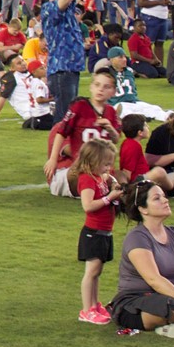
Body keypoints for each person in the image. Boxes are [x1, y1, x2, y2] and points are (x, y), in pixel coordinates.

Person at [106, 180, 174, 337]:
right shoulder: (137, 238)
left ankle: (172, 327)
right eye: (157, 198)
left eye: (164, 196)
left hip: (170, 295)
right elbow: (154, 280)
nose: (165, 200)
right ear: (143, 209)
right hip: (135, 302)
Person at [73, 139, 125, 326]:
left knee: (97, 272)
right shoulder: (86, 179)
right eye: (106, 163)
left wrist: (114, 193)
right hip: (93, 232)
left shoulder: (100, 178)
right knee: (91, 272)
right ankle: (87, 310)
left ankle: (94, 306)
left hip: (104, 231)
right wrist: (109, 197)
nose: (109, 167)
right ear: (92, 161)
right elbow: (88, 206)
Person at [38, 0, 86, 126]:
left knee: (69, 114)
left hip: (70, 68)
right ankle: (57, 148)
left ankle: (64, 147)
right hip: (61, 69)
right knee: (63, 117)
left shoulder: (66, 9)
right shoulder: (48, 8)